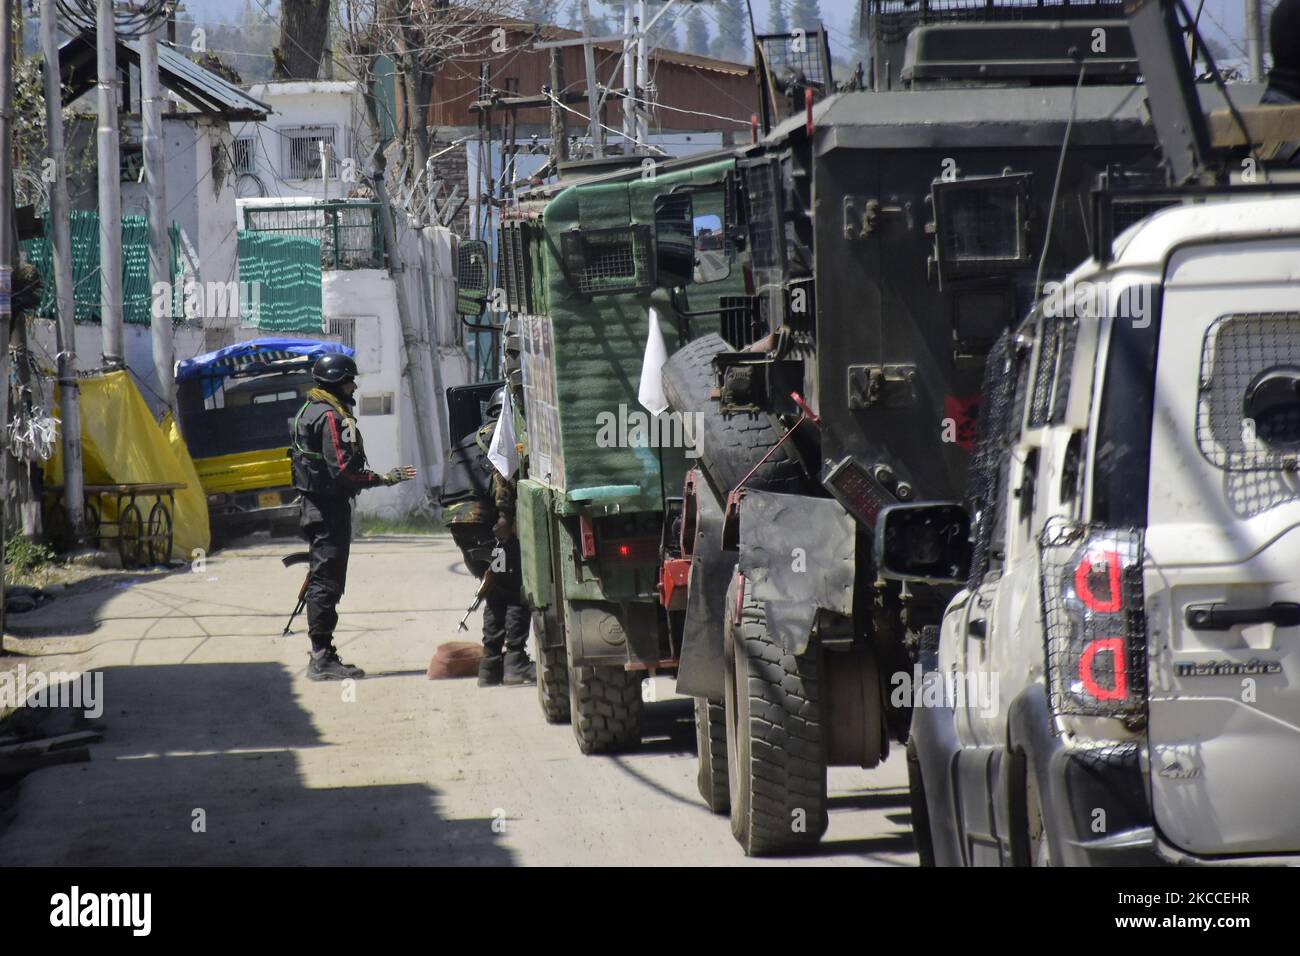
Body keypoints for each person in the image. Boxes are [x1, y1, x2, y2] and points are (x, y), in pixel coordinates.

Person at [291, 353, 415, 681]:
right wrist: (383, 478)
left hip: (316, 506)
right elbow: (344, 471)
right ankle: (321, 656)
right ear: (336, 382)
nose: (354, 386)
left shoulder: (310, 409)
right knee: (326, 582)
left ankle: (323, 652)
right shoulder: (333, 417)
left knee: (323, 579)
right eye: (350, 380)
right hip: (327, 509)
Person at [476, 389, 537, 687]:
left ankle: (489, 665)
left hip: (482, 535)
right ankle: (514, 661)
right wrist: (506, 518)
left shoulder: (476, 438)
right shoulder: (505, 437)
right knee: (514, 594)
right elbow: (504, 481)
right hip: (503, 534)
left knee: (496, 594)